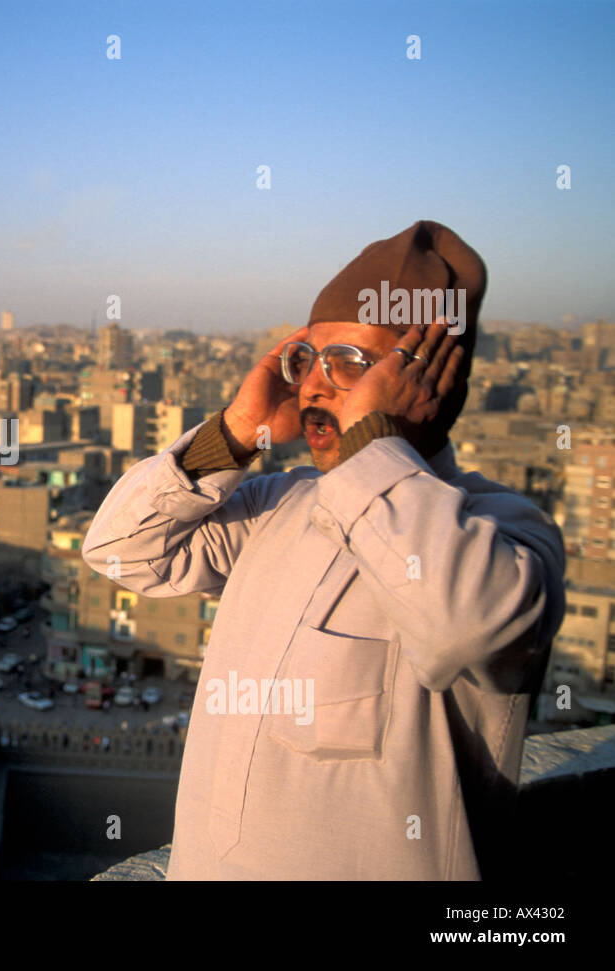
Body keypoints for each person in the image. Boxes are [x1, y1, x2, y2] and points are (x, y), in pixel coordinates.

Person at [82, 221, 565, 881]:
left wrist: (373, 440)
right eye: (306, 360)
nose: (313, 386)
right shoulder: (281, 508)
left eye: (349, 363)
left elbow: (467, 625)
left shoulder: (504, 533)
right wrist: (234, 432)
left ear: (430, 377)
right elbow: (119, 550)